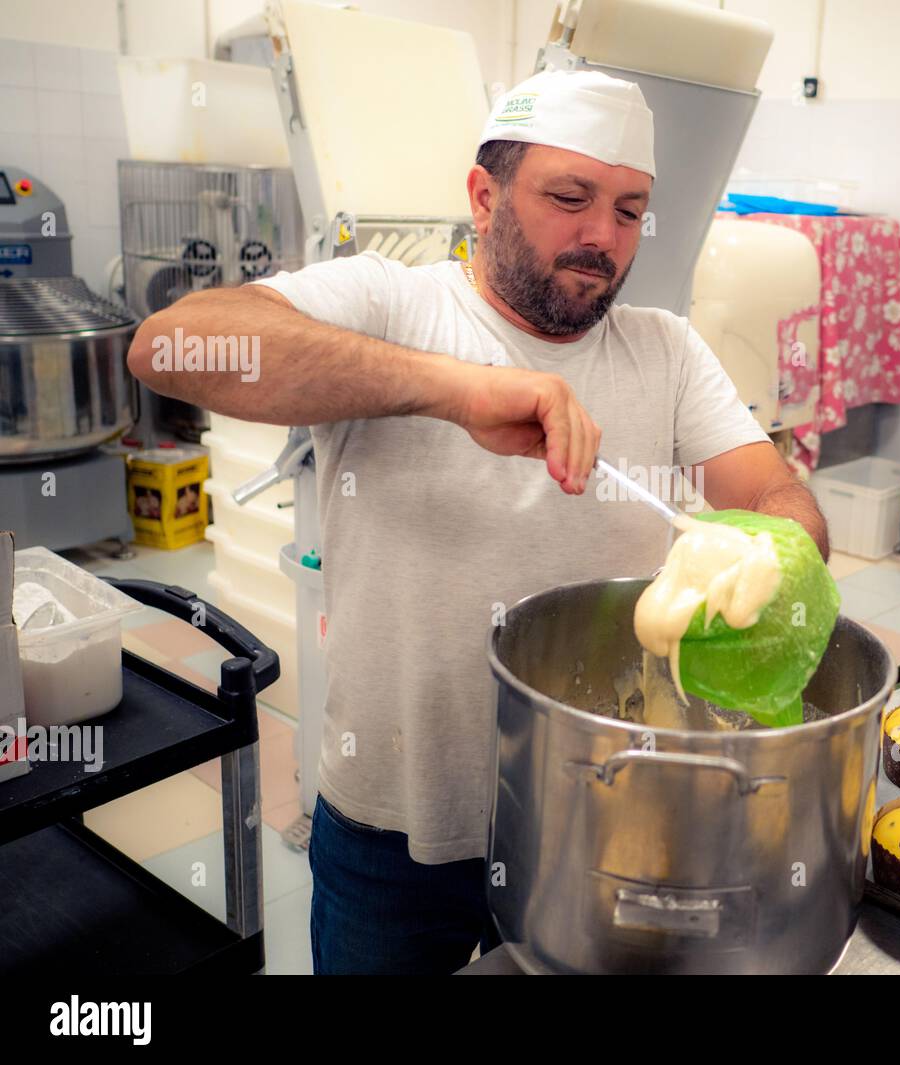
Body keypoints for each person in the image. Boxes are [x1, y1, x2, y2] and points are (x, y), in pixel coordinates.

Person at [128, 68, 829, 974]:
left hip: (595, 819)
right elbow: (168, 347)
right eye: (569, 197)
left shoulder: (666, 349)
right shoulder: (394, 305)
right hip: (395, 820)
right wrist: (457, 391)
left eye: (629, 209)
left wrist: (773, 558)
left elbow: (781, 498)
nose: (602, 237)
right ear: (483, 195)